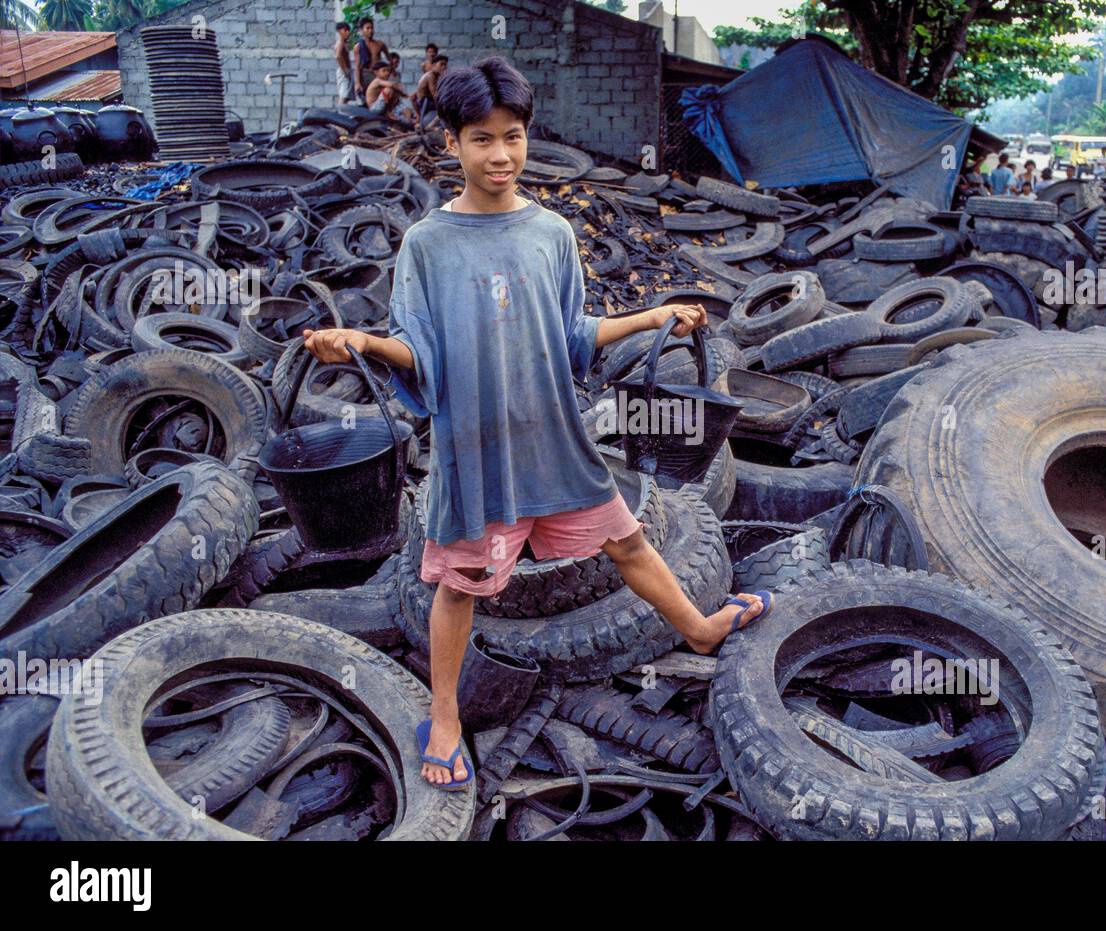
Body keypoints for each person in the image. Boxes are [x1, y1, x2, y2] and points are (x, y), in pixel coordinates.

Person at [300, 57, 771, 788]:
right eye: (481, 138)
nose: (499, 155)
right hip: (476, 450)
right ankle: (448, 715)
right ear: (451, 143)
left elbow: (573, 335)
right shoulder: (427, 242)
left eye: (512, 136)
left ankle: (701, 628)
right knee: (460, 587)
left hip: (553, 436)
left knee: (630, 542)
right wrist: (359, 340)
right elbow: (417, 350)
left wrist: (656, 315)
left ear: (528, 137)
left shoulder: (551, 232)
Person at [352, 16, 390, 104]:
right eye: (367, 28)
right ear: (362, 30)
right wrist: (357, 83)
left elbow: (389, 59)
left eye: (372, 28)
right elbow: (357, 66)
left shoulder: (380, 44)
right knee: (366, 100)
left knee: (381, 99)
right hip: (365, 75)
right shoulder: (358, 47)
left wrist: (389, 71)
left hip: (377, 75)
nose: (370, 30)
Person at [411, 54, 449, 125]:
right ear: (434, 65)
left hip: (427, 102)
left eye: (445, 65)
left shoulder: (436, 76)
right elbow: (435, 95)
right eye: (441, 64)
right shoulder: (431, 76)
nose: (444, 67)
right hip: (426, 103)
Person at [333, 22, 353, 106]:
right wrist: (345, 70)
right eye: (345, 30)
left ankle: (342, 112)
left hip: (346, 71)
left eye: (348, 30)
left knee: (347, 95)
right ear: (339, 31)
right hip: (344, 71)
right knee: (344, 95)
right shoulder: (340, 43)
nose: (347, 32)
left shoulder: (344, 42)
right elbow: (338, 56)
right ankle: (339, 114)